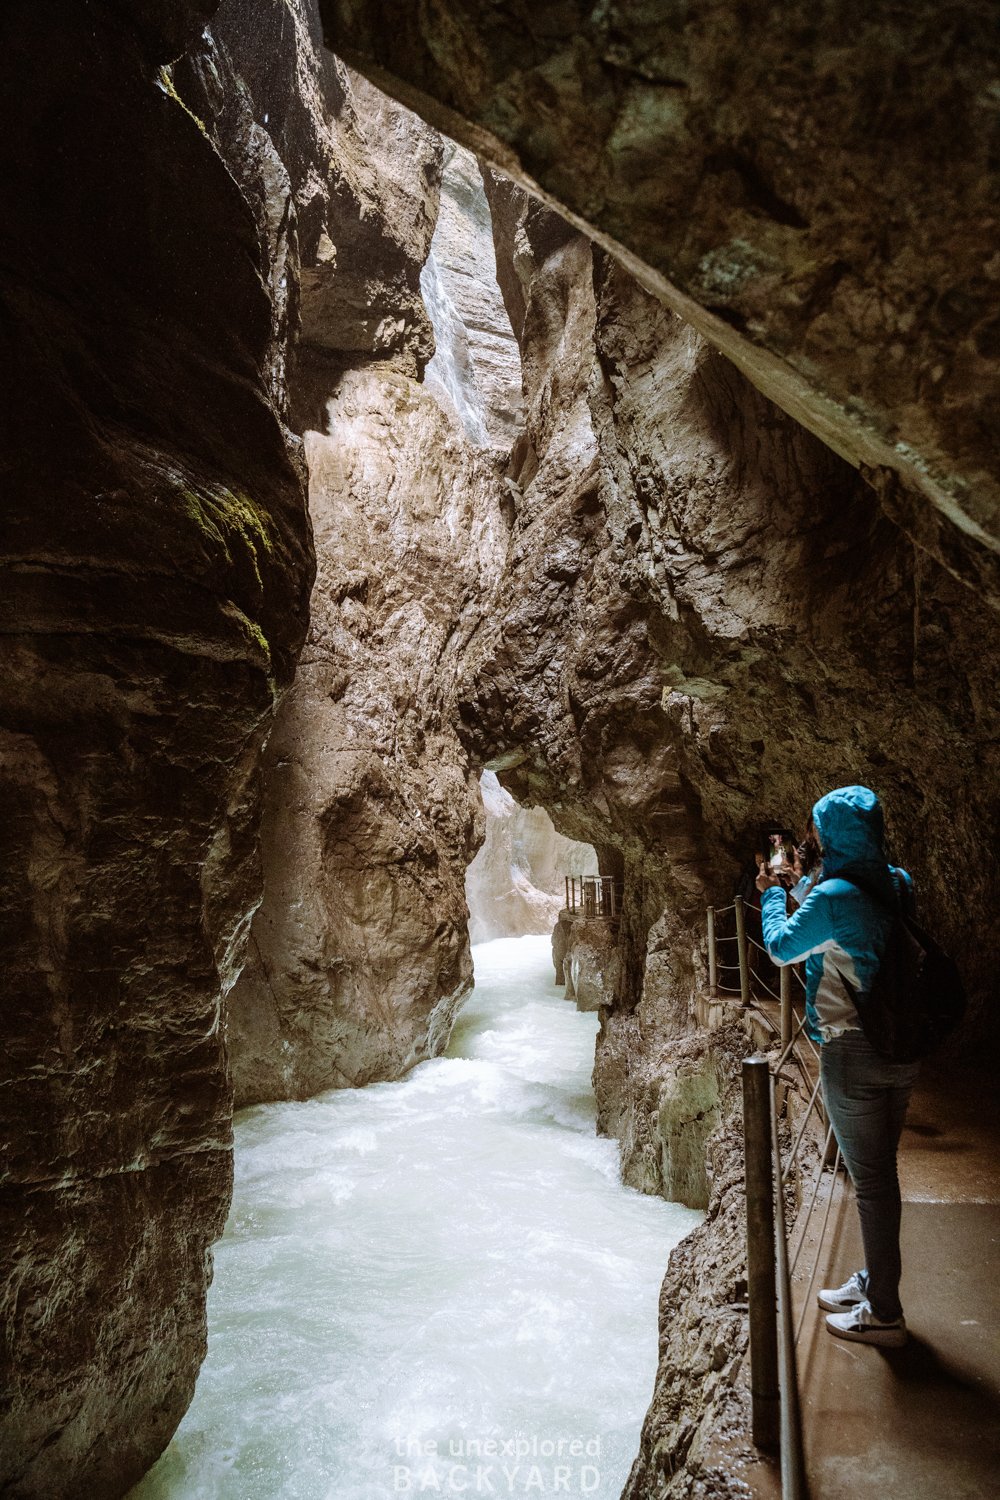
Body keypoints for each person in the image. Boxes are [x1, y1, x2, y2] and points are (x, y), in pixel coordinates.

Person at [757, 784, 918, 1348]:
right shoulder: (897, 883)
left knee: (871, 1182)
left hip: (852, 1052)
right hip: (902, 1046)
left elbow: (781, 947)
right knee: (880, 1174)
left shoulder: (831, 898)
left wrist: (775, 892)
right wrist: (806, 882)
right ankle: (876, 1281)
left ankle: (885, 1313)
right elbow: (847, 916)